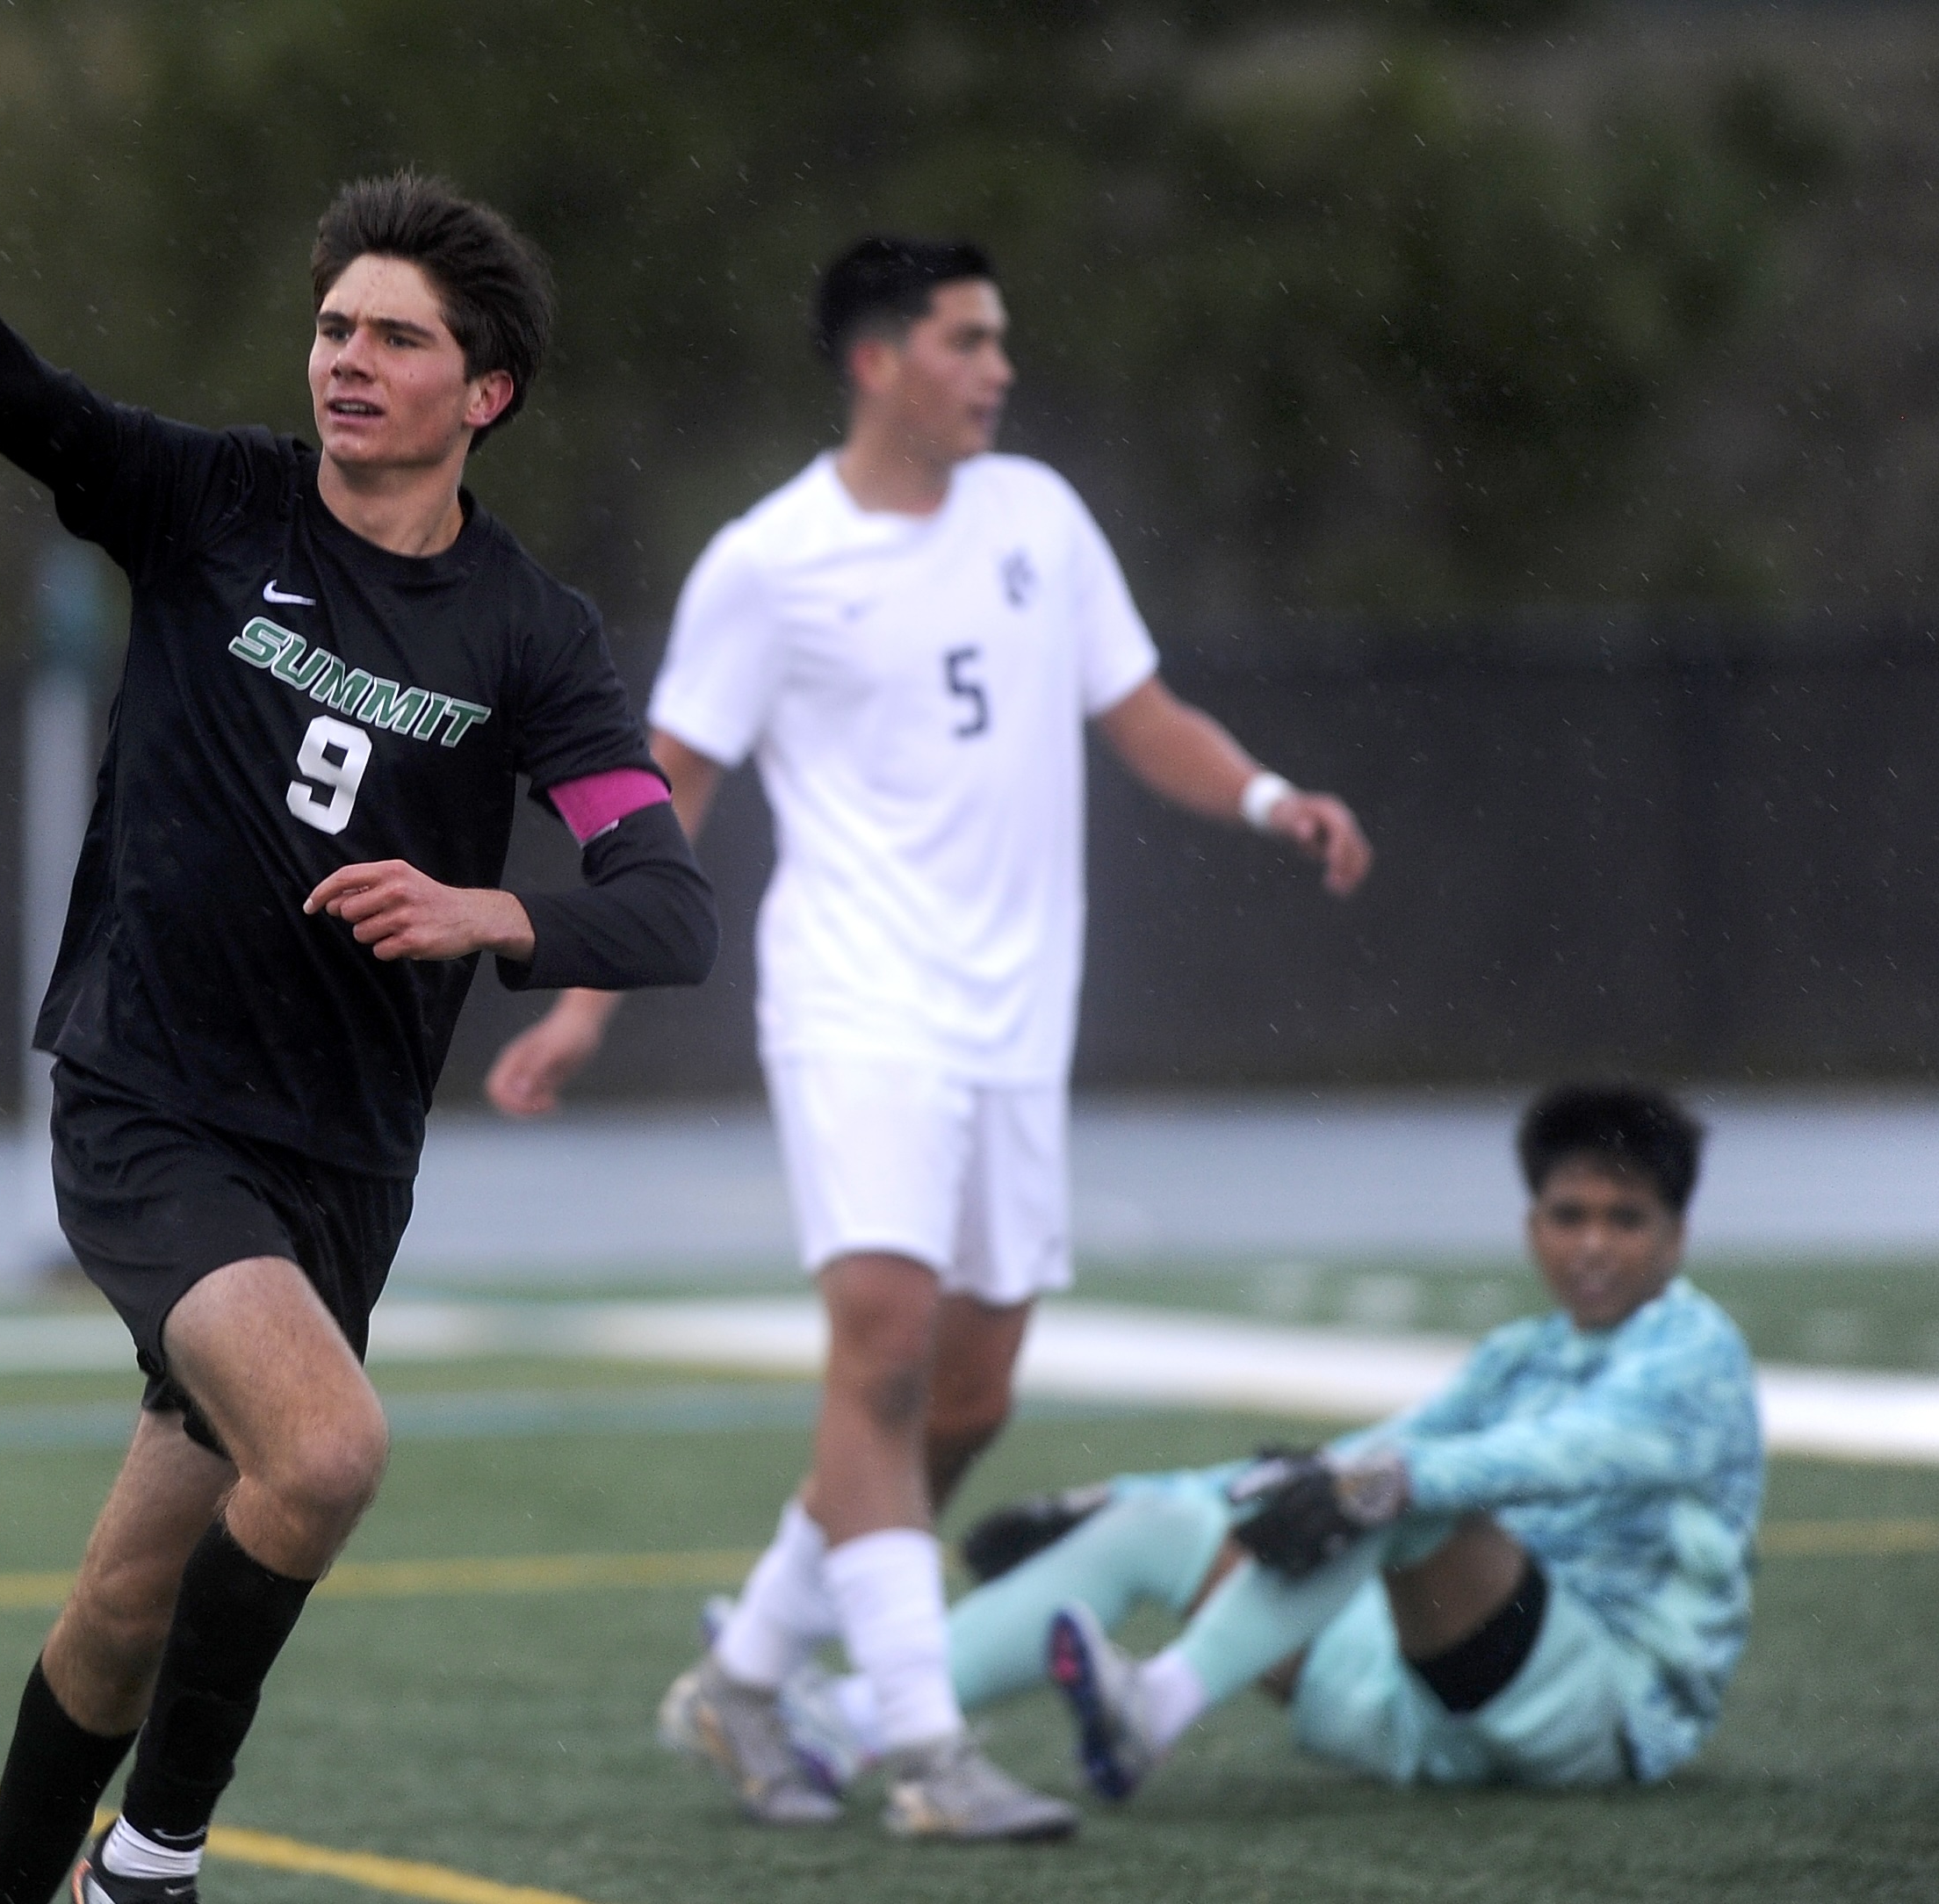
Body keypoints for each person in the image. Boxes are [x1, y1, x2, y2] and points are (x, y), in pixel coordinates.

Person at [0, 103, 717, 1904]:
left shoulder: (533, 637)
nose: (348, 358)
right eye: (333, 325)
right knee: (326, 1449)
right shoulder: (213, 505)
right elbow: (14, 391)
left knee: (126, 1591)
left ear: (483, 391)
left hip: (338, 1161)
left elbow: (664, 908)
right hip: (145, 1101)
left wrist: (487, 908)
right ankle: (148, 1866)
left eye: (395, 335)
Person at [487, 234, 1373, 1841]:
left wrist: (1264, 794)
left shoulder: (1039, 516)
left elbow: (1143, 709)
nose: (999, 369)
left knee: (963, 1397)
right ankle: (922, 1748)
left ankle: (747, 1669)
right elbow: (662, 784)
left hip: (1015, 1023)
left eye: (1001, 341)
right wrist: (586, 996)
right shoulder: (770, 560)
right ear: (877, 361)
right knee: (882, 1345)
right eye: (970, 341)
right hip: (856, 995)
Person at [787, 1084, 1762, 1805]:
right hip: (1425, 1701)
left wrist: (1376, 1479)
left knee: (1387, 1490)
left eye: (1623, 1219)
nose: (1590, 1243)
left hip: (1601, 1721)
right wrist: (1118, 1492)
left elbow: (1564, 1454)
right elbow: (1376, 1448)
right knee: (1158, 1525)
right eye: (1568, 1215)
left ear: (1674, 1236)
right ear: (1531, 1226)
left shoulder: (1695, 1352)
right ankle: (853, 1716)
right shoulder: (1519, 1352)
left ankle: (1156, 1705)